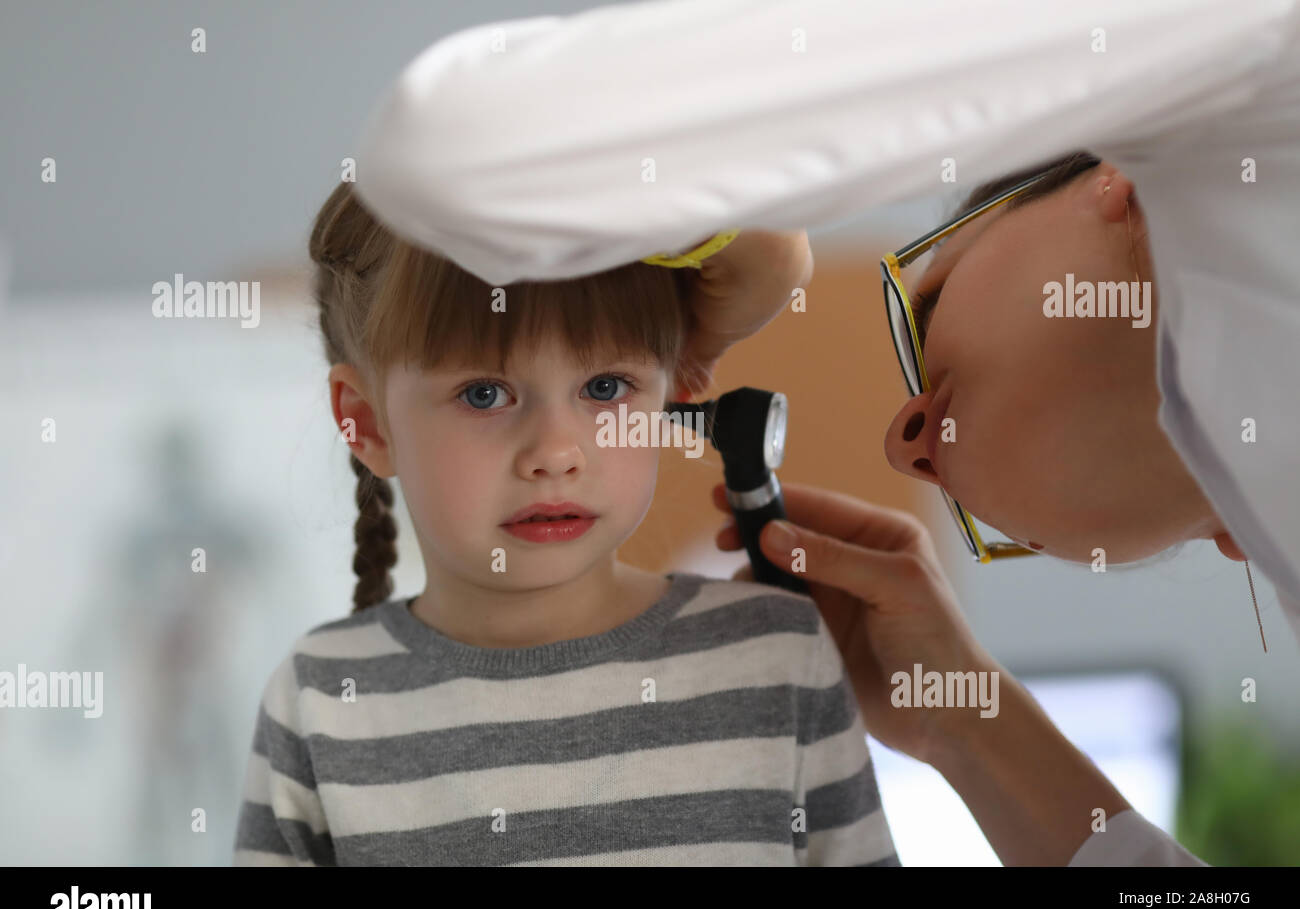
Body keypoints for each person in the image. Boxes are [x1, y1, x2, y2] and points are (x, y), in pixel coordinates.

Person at [348, 0, 1300, 864]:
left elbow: (452, 141)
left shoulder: (1253, 83)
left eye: (923, 310)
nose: (905, 444)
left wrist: (755, 257)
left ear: (1114, 175)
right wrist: (967, 727)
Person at [231, 181, 898, 866]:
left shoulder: (776, 654)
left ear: (669, 391)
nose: (555, 452)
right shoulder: (320, 697)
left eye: (605, 388)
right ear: (367, 423)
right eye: (484, 394)